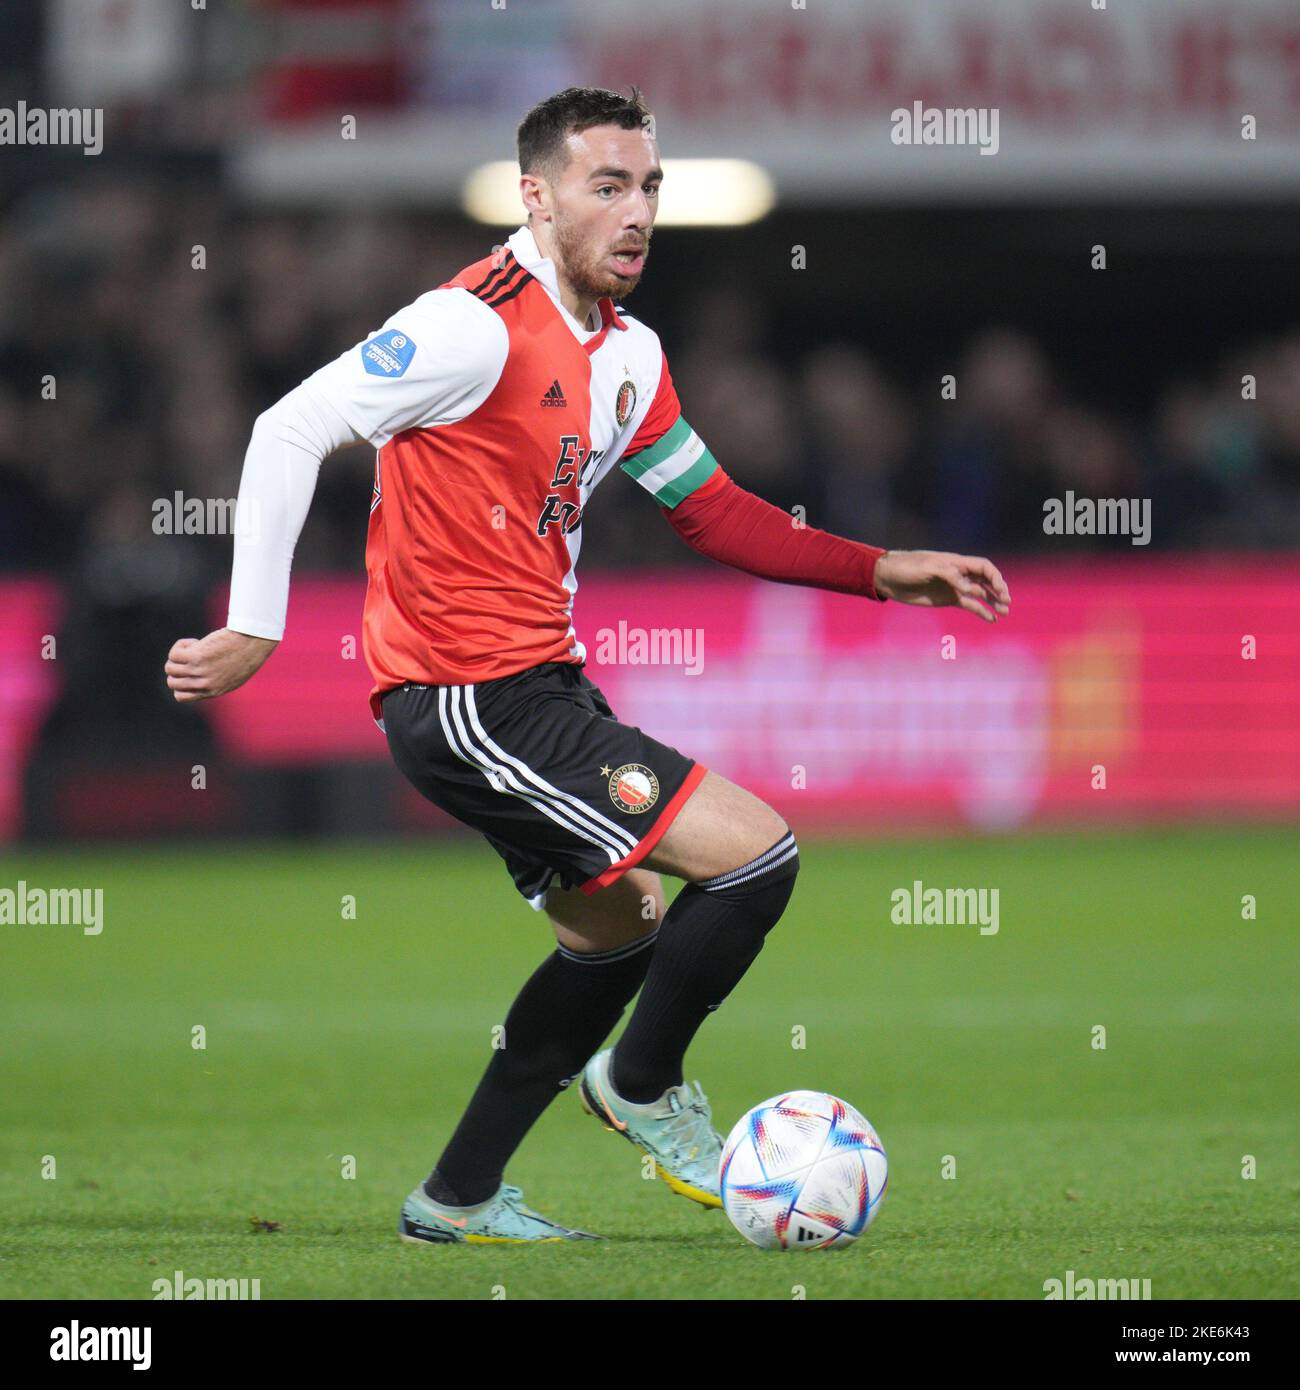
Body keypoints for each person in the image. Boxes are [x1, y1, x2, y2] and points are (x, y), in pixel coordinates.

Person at [164, 86, 1010, 1244]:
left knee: (617, 928)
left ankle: (453, 1197)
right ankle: (643, 1083)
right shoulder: (472, 323)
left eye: (649, 186)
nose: (637, 211)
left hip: (535, 689)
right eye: (607, 186)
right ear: (535, 196)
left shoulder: (630, 353)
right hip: (468, 695)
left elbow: (711, 512)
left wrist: (881, 570)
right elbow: (287, 428)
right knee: (758, 856)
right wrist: (255, 623)